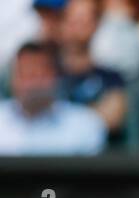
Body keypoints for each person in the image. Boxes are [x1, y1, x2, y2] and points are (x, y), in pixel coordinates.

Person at [0, 41, 106, 155]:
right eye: (25, 75)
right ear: (12, 79)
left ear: (55, 77)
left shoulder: (86, 125)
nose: (32, 84)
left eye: (39, 74)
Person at [57, 0, 127, 133]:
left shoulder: (111, 77)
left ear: (97, 24)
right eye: (71, 19)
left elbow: (112, 119)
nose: (75, 27)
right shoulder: (45, 71)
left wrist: (58, 115)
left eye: (83, 20)